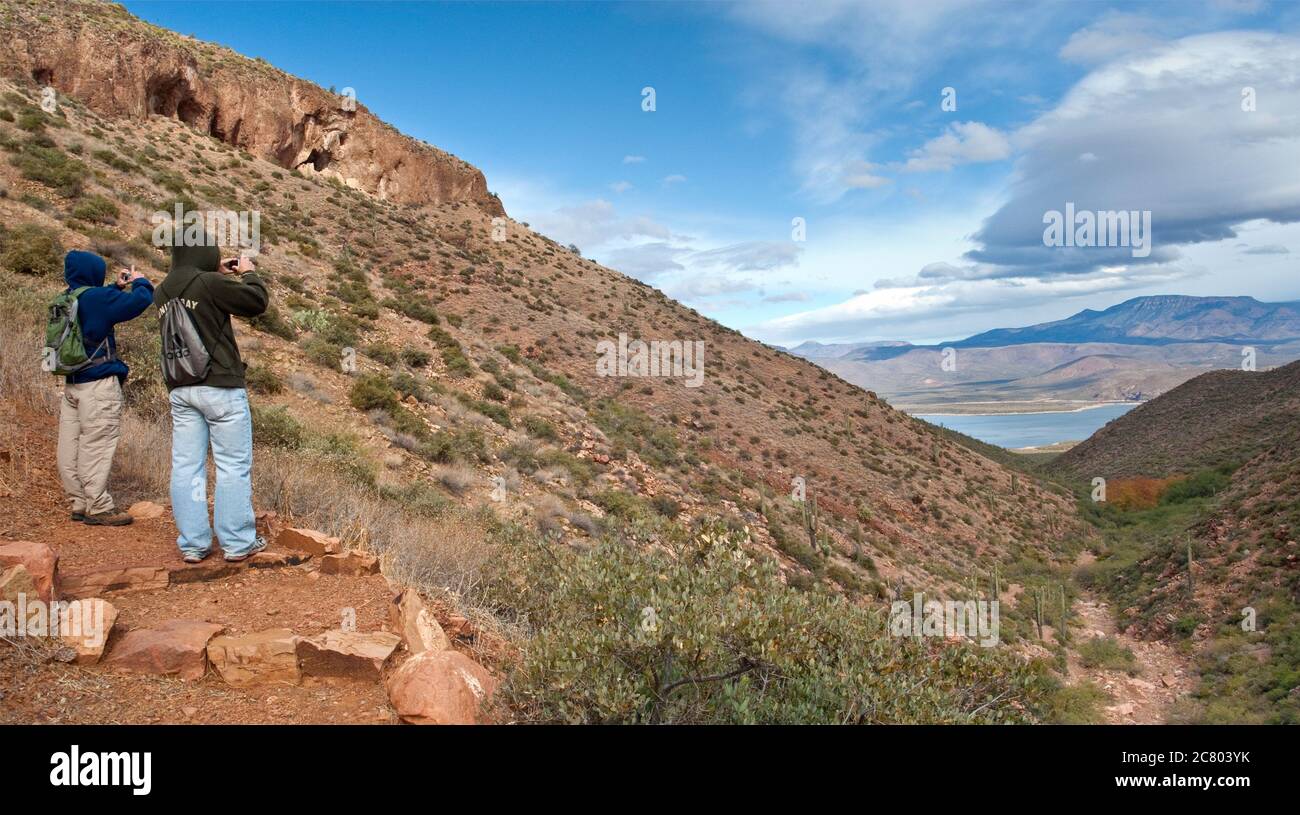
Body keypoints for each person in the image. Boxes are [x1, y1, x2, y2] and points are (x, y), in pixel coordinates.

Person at [154, 242, 269, 563]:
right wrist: (248, 273)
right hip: (219, 386)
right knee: (232, 465)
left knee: (186, 466)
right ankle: (236, 543)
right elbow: (256, 302)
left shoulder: (161, 291)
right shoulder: (209, 284)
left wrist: (211, 272)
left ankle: (193, 544)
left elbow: (195, 297)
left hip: (180, 387)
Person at [56, 251, 154, 526]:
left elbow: (95, 309)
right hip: (98, 385)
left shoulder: (66, 298)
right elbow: (140, 302)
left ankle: (78, 502)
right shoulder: (98, 299)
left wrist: (115, 288)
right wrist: (141, 281)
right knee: (97, 443)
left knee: (70, 444)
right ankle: (98, 506)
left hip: (72, 383)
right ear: (94, 273)